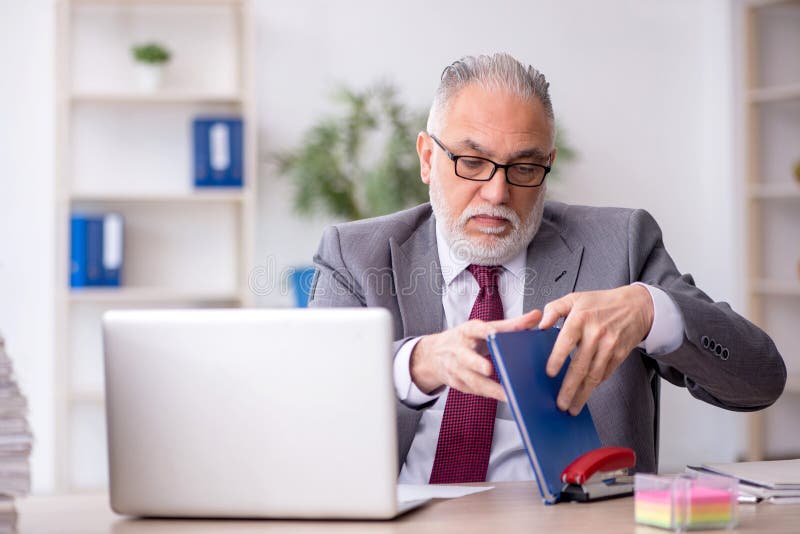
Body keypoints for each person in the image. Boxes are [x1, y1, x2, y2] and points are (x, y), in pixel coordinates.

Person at [308, 53, 786, 484]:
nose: (497, 194)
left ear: (548, 165)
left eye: (524, 168)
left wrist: (652, 309)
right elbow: (310, 398)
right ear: (428, 158)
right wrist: (416, 363)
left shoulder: (619, 246)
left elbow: (760, 381)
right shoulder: (356, 254)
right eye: (472, 162)